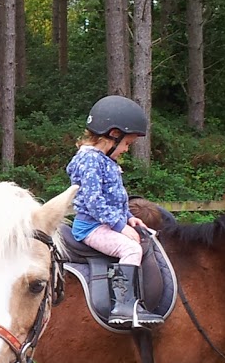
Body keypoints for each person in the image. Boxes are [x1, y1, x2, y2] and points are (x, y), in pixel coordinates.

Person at [66, 95, 163, 328]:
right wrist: (119, 226)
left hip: (105, 223)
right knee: (130, 248)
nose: (127, 149)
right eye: (127, 143)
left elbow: (115, 199)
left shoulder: (104, 161)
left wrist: (130, 219)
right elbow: (92, 200)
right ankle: (123, 306)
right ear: (113, 135)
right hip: (91, 227)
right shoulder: (89, 160)